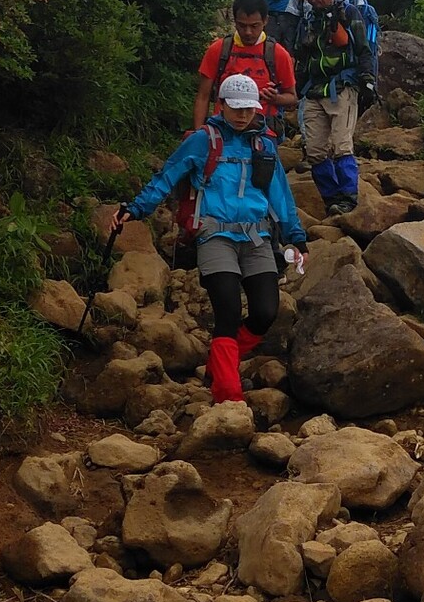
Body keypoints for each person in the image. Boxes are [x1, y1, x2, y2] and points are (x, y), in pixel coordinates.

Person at [106, 74, 308, 404]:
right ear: (222, 105)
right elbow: (167, 176)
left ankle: (218, 364)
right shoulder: (204, 140)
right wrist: (136, 209)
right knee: (227, 311)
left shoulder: (264, 145)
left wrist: (297, 239)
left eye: (249, 109)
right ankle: (229, 396)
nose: (243, 116)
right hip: (215, 236)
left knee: (265, 312)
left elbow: (281, 197)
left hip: (257, 236)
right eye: (236, 108)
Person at [292, 0, 377, 214]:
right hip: (314, 89)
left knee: (341, 145)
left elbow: (363, 49)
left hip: (342, 86)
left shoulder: (349, 13)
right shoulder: (308, 21)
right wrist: (294, 89)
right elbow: (301, 59)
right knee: (316, 151)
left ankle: (348, 199)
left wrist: (367, 80)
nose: (315, 0)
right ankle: (331, 199)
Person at [194, 0, 296, 130]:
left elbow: (292, 98)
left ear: (265, 21)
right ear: (235, 21)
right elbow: (203, 96)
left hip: (263, 131)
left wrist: (275, 98)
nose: (248, 32)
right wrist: (198, 134)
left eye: (254, 26)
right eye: (242, 26)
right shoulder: (218, 50)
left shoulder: (278, 54)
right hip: (223, 129)